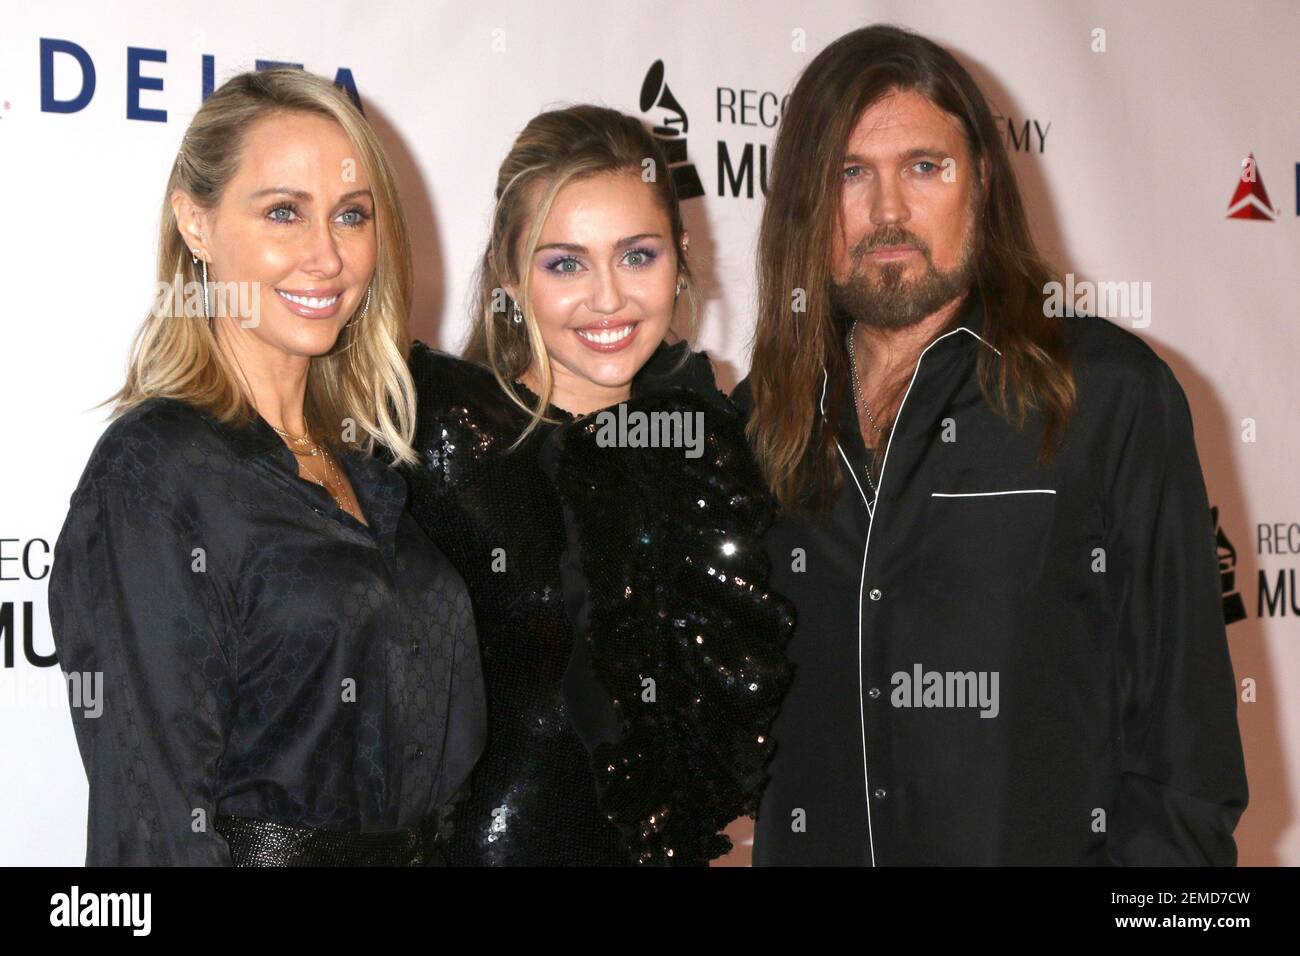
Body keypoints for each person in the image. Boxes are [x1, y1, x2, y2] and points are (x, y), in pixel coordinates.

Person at [733, 25, 1248, 865]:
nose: (888, 211)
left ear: (983, 185)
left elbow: (1185, 766)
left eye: (925, 168)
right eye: (848, 174)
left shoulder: (1105, 394)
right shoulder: (762, 420)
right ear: (804, 204)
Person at [48, 69, 485, 866]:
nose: (326, 254)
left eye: (351, 215)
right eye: (284, 211)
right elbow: (151, 828)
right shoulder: (155, 473)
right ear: (196, 223)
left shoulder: (372, 464)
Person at [399, 104, 793, 865]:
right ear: (511, 277)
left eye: (637, 256)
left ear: (680, 256)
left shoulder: (709, 443)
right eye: (566, 263)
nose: (608, 299)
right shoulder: (442, 433)